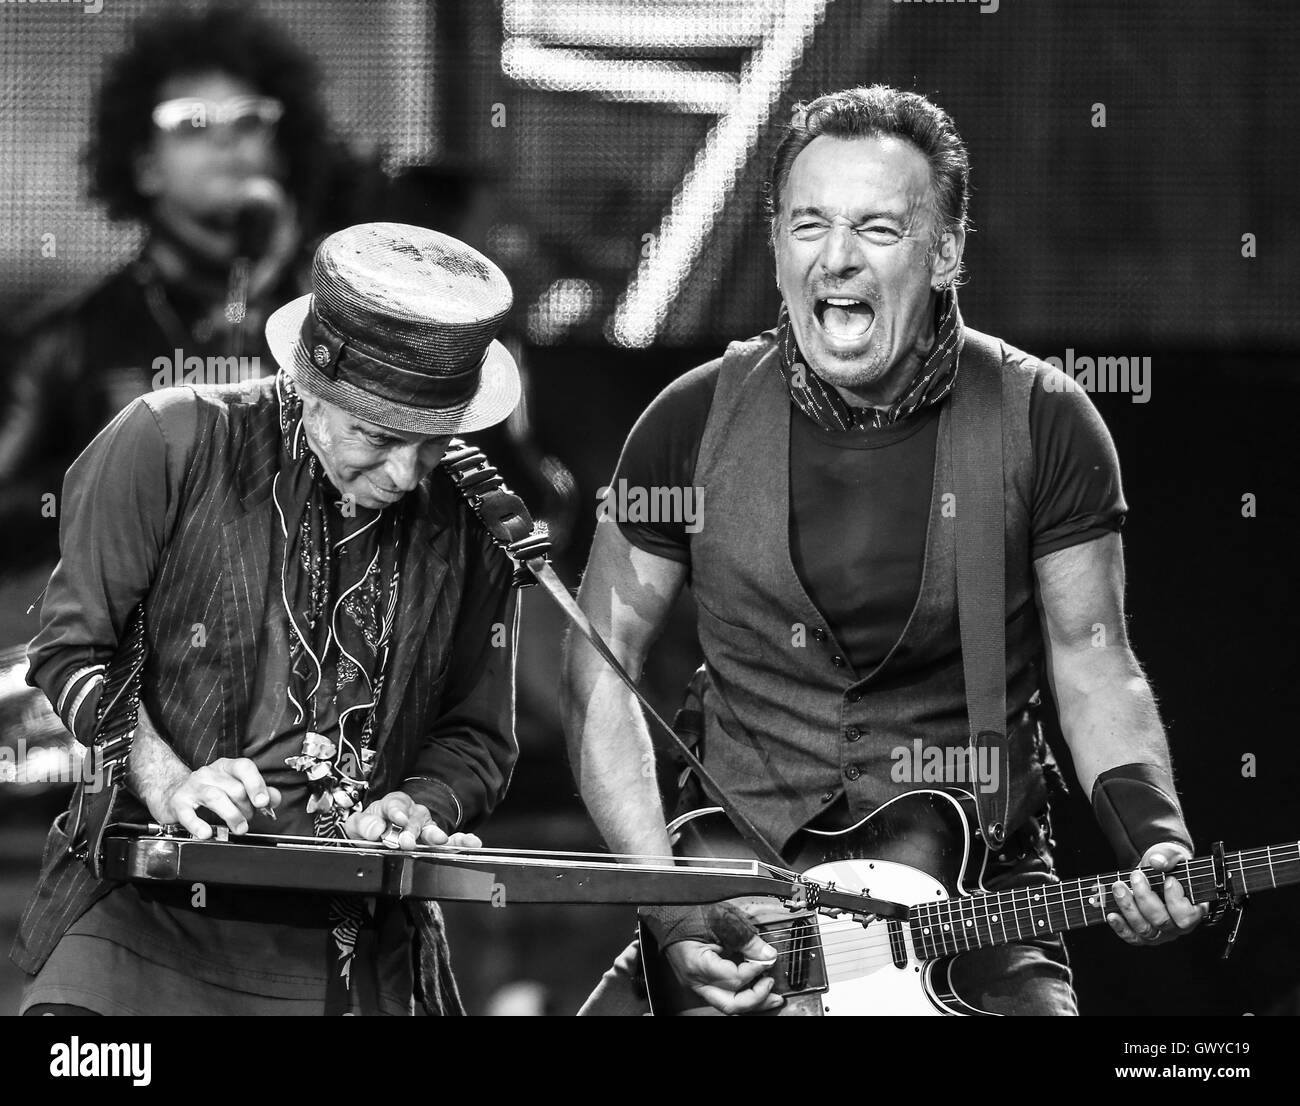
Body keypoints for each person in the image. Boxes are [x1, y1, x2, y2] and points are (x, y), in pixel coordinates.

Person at [560, 85, 1205, 1016]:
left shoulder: (1046, 419)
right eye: (809, 223)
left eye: (878, 228)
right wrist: (668, 903)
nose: (837, 257)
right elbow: (601, 666)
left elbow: (1095, 659)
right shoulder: (687, 421)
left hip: (976, 894)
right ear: (777, 242)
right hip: (740, 899)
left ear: (945, 253)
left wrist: (1155, 836)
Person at [11, 222, 523, 1016]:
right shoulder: (169, 438)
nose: (402, 473)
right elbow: (70, 650)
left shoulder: (476, 520)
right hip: (148, 918)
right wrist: (169, 778)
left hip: (358, 941)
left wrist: (420, 803)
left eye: (431, 445)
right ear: (312, 383)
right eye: (379, 438)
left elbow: (476, 736)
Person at [0, 1, 375, 566]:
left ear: (282, 148)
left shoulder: (344, 324)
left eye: (249, 119)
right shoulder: (66, 338)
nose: (226, 140)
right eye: (191, 122)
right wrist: (118, 466)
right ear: (145, 164)